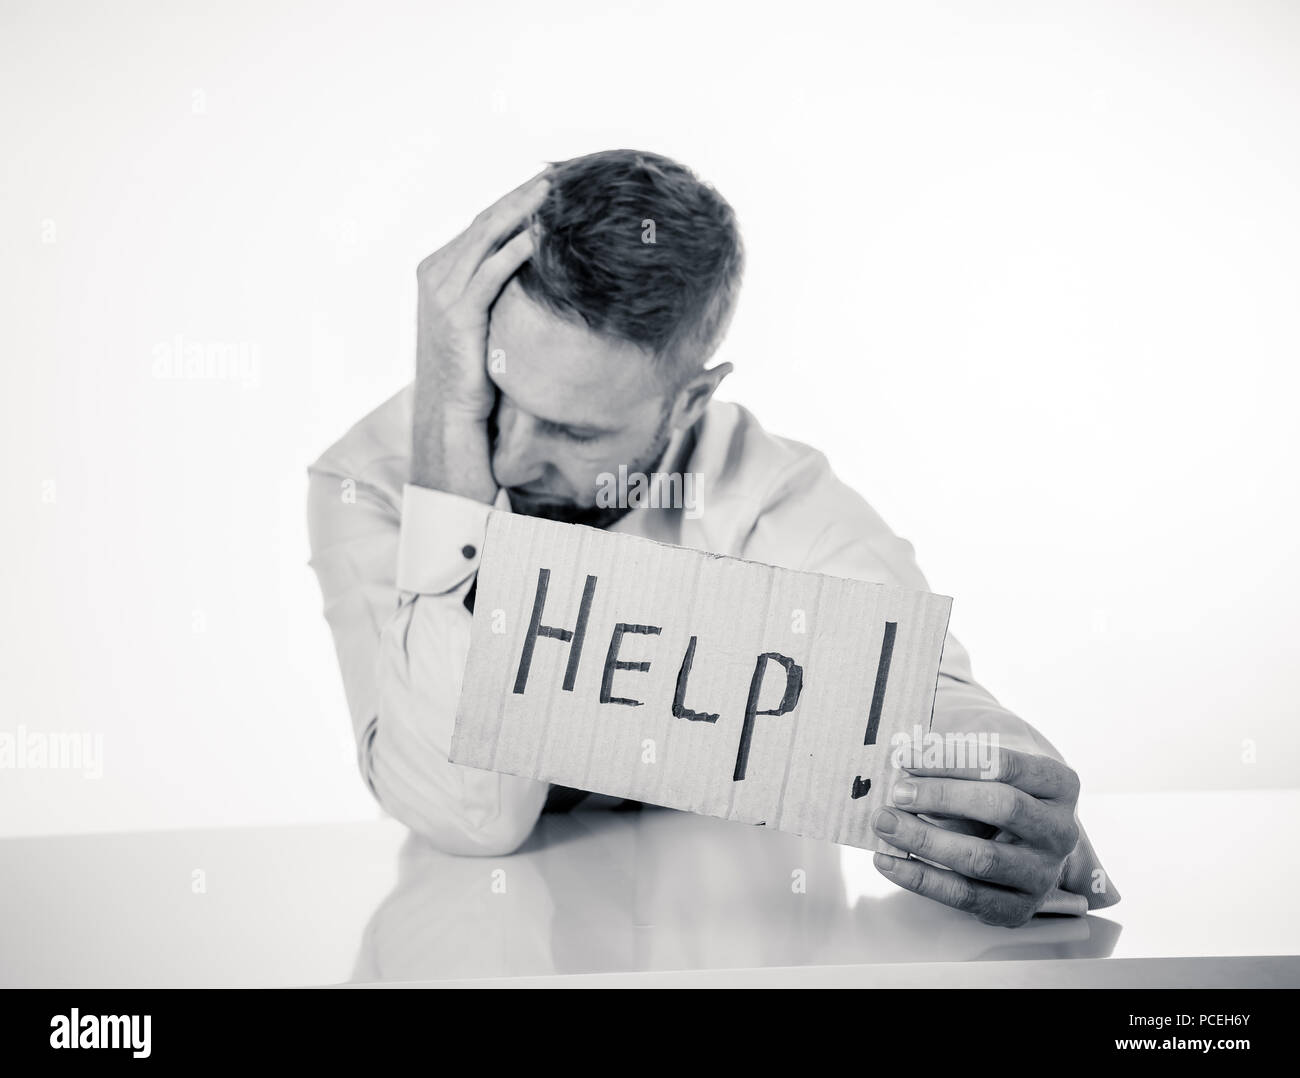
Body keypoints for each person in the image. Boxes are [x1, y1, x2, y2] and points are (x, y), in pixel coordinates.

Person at [307, 149, 1119, 927]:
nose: (509, 457)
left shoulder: (763, 496)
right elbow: (469, 814)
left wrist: (1006, 798)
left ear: (690, 401)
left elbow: (921, 696)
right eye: (493, 389)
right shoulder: (375, 479)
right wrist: (449, 462)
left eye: (572, 431)